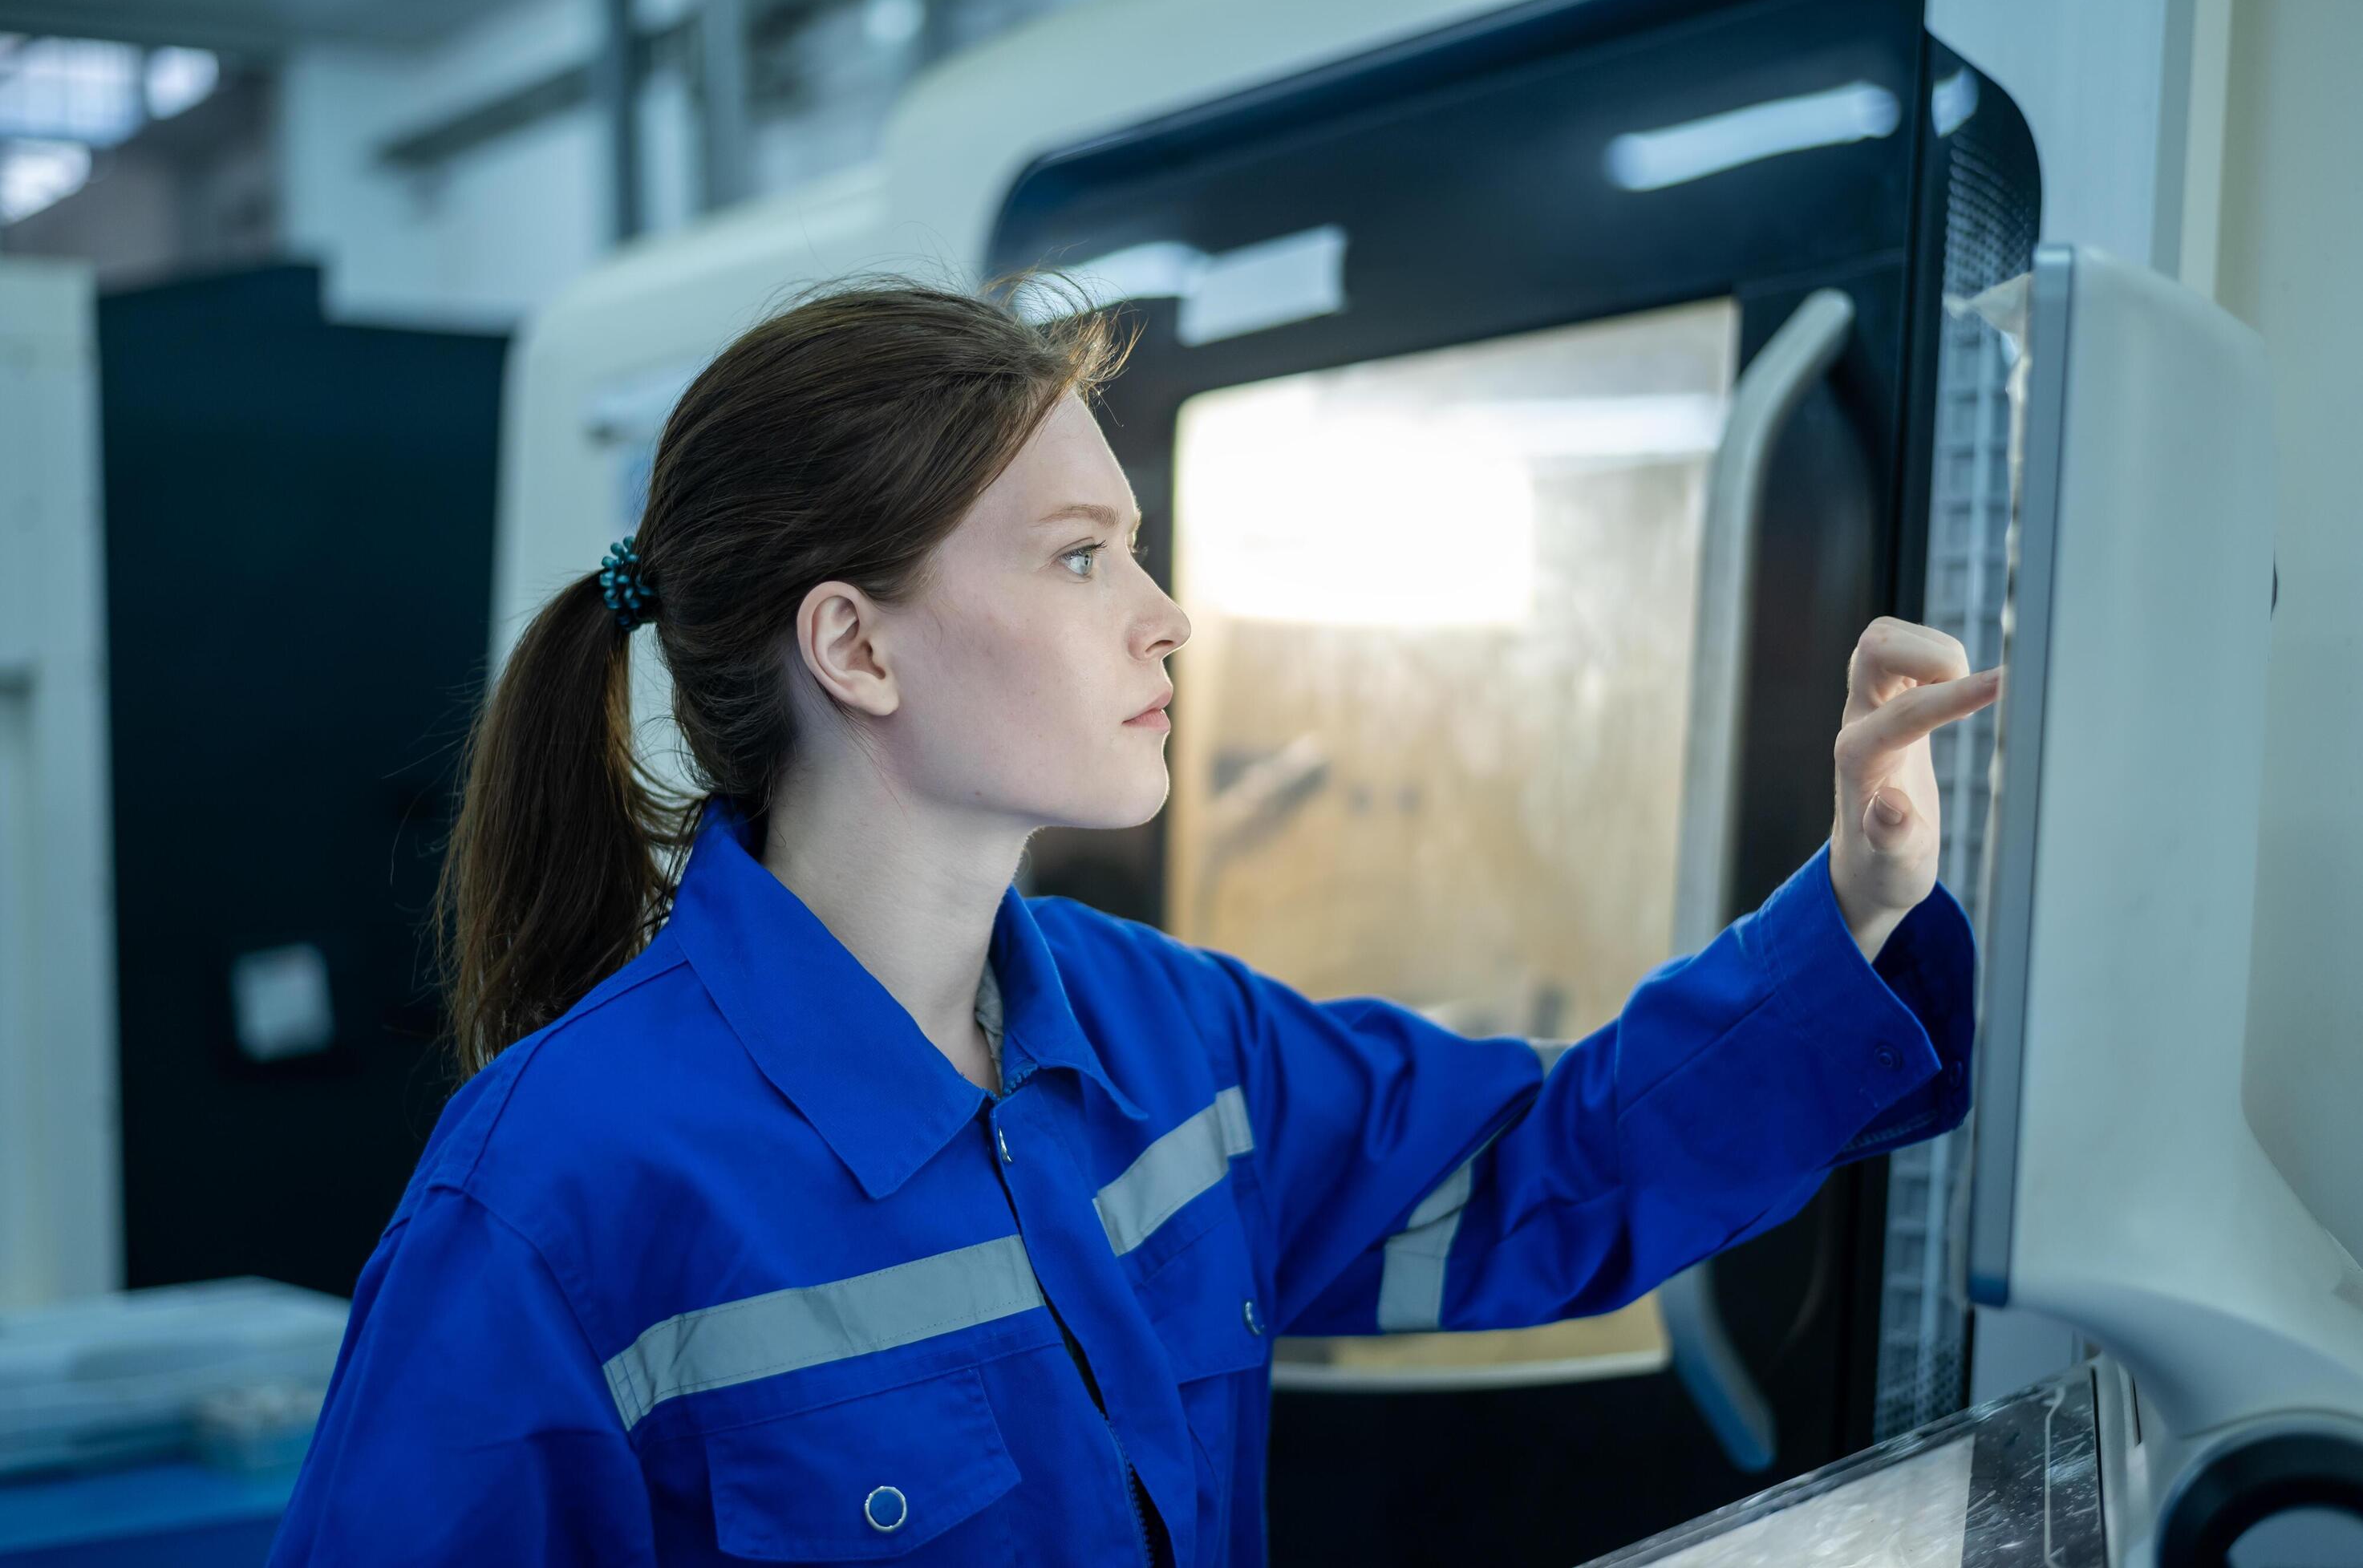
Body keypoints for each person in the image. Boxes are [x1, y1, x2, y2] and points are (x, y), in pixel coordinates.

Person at [265, 270, 1996, 1566]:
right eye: (1082, 554)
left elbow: (1542, 1167)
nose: (1168, 615)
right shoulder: (558, 1196)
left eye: (1137, 548)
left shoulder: (1170, 1044)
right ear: (856, 645)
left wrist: (1857, 897)